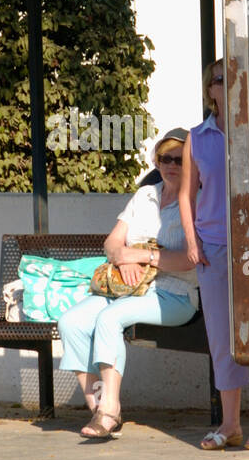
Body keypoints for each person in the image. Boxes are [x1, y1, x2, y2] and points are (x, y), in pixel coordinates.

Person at [57, 128, 199, 440]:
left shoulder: (197, 200)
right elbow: (112, 243)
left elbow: (190, 260)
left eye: (179, 159)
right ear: (157, 162)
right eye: (165, 158)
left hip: (174, 293)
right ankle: (99, 404)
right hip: (127, 286)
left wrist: (143, 256)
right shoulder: (145, 195)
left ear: (191, 163)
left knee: (110, 318)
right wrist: (123, 257)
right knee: (70, 322)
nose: (172, 165)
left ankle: (110, 410)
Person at [180, 59, 249, 451]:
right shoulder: (197, 136)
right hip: (213, 248)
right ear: (210, 89)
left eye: (235, 79)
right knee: (223, 339)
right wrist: (192, 243)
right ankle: (229, 425)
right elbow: (185, 195)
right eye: (220, 81)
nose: (227, 86)